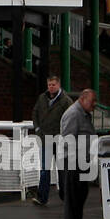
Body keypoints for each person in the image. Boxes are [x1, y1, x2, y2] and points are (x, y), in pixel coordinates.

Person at [59, 89, 98, 219]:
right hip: (73, 161)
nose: (95, 104)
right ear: (82, 99)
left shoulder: (83, 113)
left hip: (80, 160)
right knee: (73, 195)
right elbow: (68, 139)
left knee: (81, 193)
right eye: (92, 101)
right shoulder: (74, 114)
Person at [30, 75, 73, 206]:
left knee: (62, 170)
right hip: (45, 138)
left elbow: (70, 119)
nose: (51, 87)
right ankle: (42, 198)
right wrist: (37, 128)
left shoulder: (66, 101)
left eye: (53, 84)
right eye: (49, 85)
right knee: (44, 169)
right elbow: (35, 113)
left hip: (60, 140)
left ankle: (65, 196)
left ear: (59, 85)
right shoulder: (42, 98)